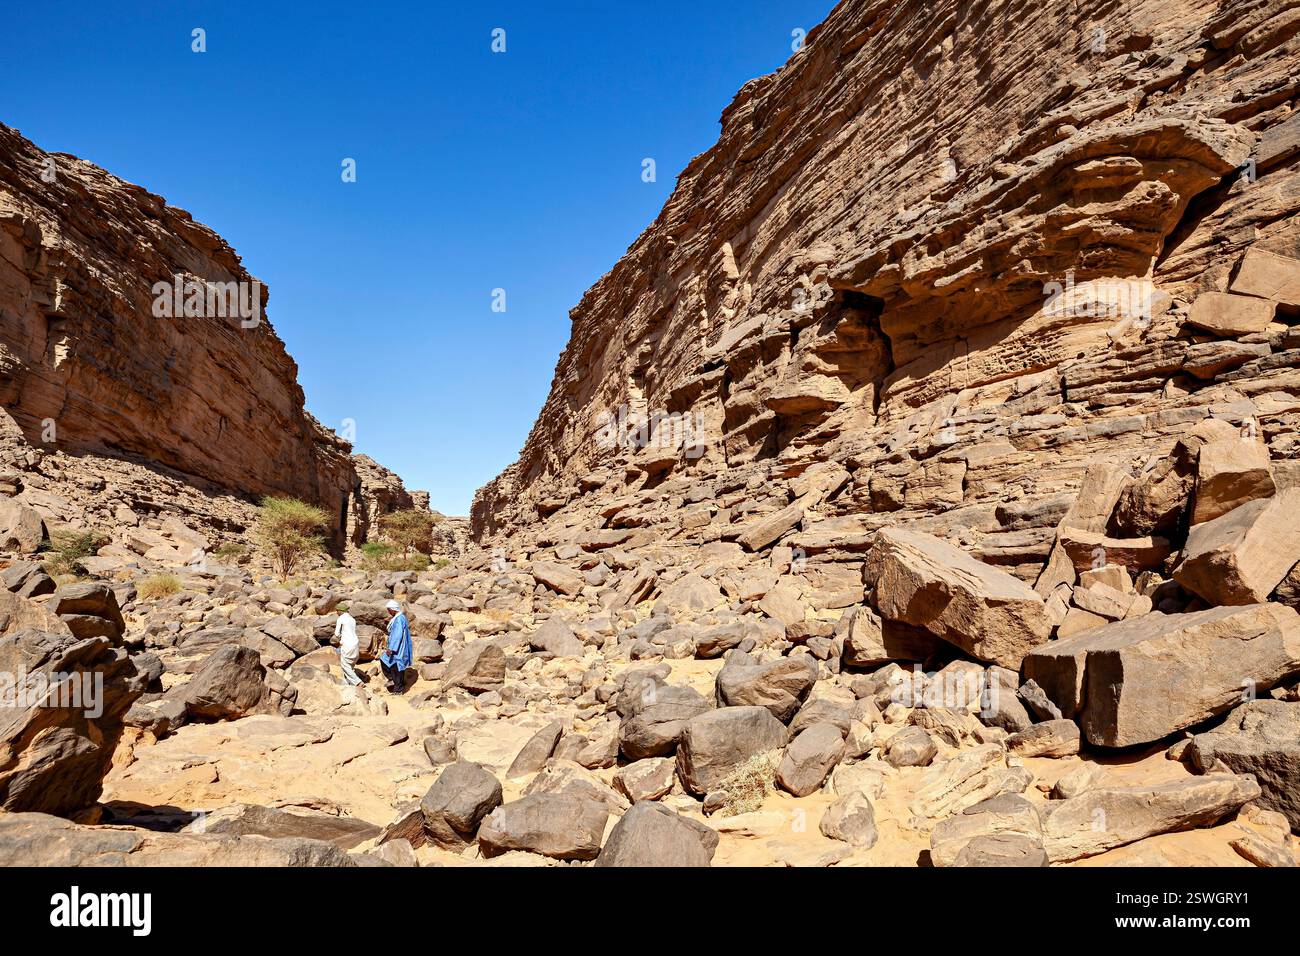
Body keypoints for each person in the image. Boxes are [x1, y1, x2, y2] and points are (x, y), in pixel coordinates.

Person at [379, 599, 412, 694]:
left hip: (399, 647)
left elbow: (398, 634)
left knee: (397, 667)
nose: (388, 612)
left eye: (389, 610)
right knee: (386, 660)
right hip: (396, 646)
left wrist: (391, 648)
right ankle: (392, 680)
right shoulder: (398, 618)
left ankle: (398, 690)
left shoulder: (399, 619)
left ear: (394, 609)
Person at [334, 601, 361, 687]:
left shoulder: (341, 618)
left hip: (347, 643)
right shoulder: (352, 619)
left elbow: (337, 634)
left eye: (337, 611)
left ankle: (358, 682)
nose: (336, 612)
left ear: (340, 611)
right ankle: (348, 683)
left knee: (344, 665)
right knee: (351, 665)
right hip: (355, 643)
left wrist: (340, 637)